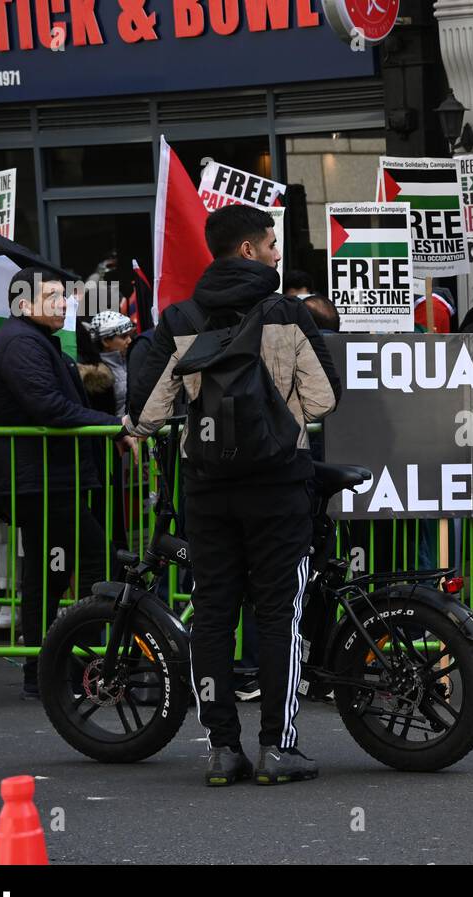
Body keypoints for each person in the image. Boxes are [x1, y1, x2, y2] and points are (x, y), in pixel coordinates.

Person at [129, 204, 341, 784]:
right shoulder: (287, 313)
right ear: (248, 250)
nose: (277, 252)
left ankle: (223, 748)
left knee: (214, 616)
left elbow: (145, 414)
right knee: (279, 617)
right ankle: (278, 748)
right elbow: (324, 401)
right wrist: (281, 408)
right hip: (278, 488)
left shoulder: (179, 317)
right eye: (271, 243)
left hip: (208, 492)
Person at [0, 267, 132, 700]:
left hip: (46, 480)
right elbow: (50, 408)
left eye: (64, 295)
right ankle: (84, 666)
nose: (64, 303)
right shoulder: (21, 343)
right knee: (92, 563)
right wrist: (112, 425)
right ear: (25, 305)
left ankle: (49, 671)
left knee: (50, 574)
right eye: (52, 296)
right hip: (41, 482)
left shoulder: (33, 340)